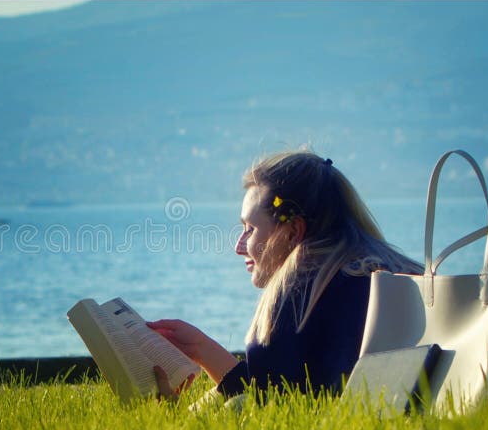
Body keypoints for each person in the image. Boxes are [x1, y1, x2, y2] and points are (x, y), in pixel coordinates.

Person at [147, 149, 422, 400]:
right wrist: (201, 348)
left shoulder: (302, 287)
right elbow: (279, 387)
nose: (239, 246)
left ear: (293, 232)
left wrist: (188, 416)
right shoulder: (392, 270)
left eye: (250, 229)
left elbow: (267, 405)